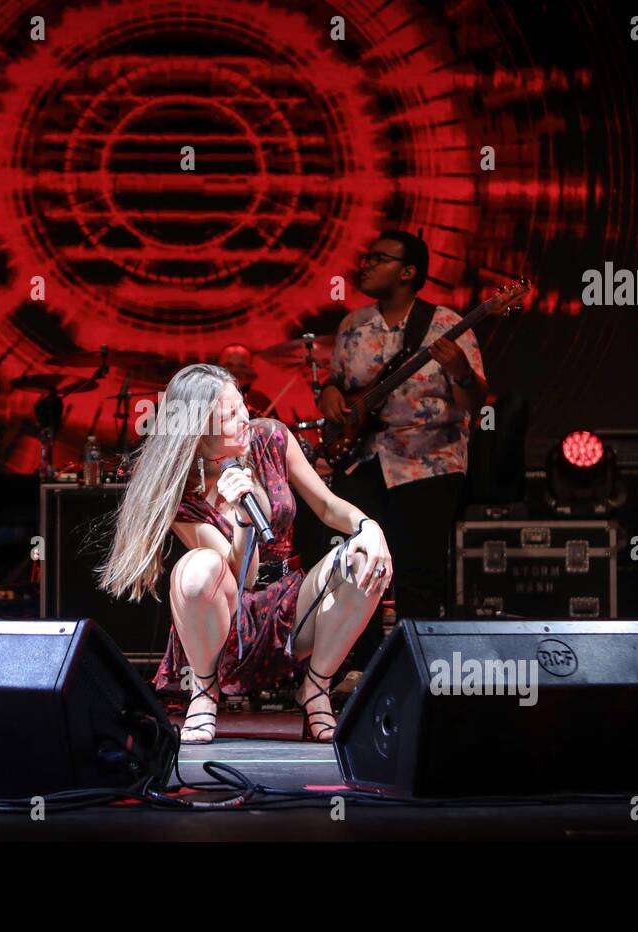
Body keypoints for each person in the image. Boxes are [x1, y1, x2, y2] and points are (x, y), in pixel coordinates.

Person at [98, 364, 393, 744]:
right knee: (197, 569)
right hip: (229, 620)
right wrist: (242, 519)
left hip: (290, 606)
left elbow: (327, 506)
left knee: (363, 555)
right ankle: (204, 693)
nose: (245, 419)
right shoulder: (180, 490)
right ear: (200, 427)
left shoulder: (270, 438)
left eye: (243, 408)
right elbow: (242, 577)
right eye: (230, 415)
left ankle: (316, 687)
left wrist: (368, 526)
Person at [319, 230, 486, 667]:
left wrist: (460, 371)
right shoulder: (352, 325)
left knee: (418, 575)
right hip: (363, 460)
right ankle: (358, 668)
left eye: (379, 258)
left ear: (408, 272)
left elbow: (474, 400)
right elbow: (336, 382)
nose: (366, 264)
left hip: (426, 465)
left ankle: (416, 671)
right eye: (367, 257)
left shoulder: (446, 324)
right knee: (353, 569)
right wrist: (330, 394)